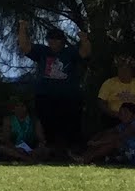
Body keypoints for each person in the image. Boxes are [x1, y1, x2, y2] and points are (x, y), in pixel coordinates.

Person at [18, 20, 90, 154]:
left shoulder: (70, 52)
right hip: (45, 96)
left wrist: (85, 40)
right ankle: (49, 152)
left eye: (57, 40)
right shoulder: (42, 51)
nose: (54, 42)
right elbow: (24, 46)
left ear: (62, 41)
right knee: (47, 126)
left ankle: (71, 153)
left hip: (69, 98)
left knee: (71, 127)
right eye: (51, 40)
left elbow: (85, 52)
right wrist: (22, 28)